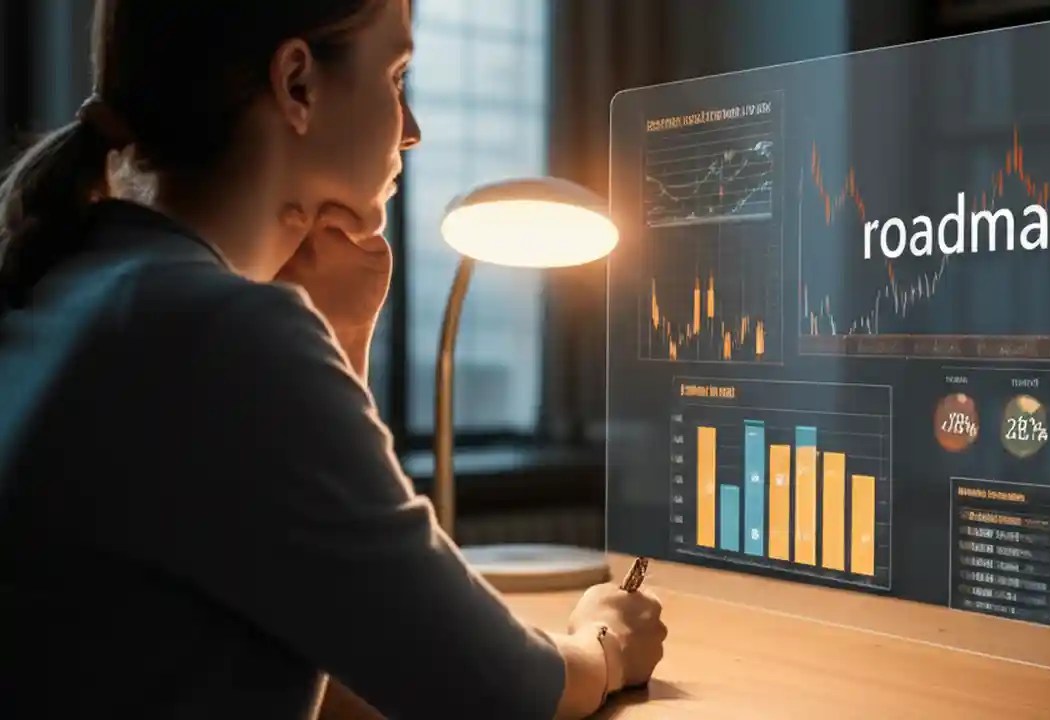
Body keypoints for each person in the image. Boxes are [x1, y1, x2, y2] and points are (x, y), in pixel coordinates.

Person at [0, 1, 665, 718]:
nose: (412, 130)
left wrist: (340, 334)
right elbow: (499, 692)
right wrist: (606, 641)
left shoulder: (87, 286)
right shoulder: (213, 335)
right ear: (298, 85)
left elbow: (355, 650)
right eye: (397, 76)